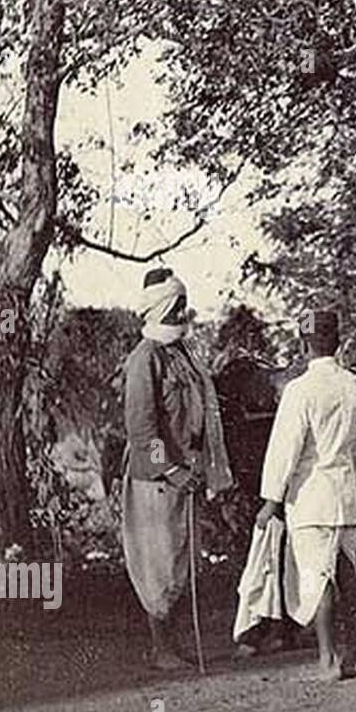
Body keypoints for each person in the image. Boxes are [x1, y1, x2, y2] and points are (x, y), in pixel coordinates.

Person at [122, 268, 234, 669]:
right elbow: (141, 428)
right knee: (159, 562)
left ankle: (174, 643)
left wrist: (197, 464)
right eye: (179, 306)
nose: (186, 313)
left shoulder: (181, 353)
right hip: (156, 480)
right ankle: (161, 648)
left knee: (182, 560)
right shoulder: (145, 359)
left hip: (185, 473)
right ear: (164, 307)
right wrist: (171, 471)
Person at [256, 310, 356, 683]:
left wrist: (271, 499)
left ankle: (327, 659)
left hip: (310, 497)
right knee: (347, 572)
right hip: (345, 493)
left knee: (316, 577)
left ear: (305, 345)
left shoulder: (299, 391)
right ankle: (351, 654)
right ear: (336, 342)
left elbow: (284, 449)